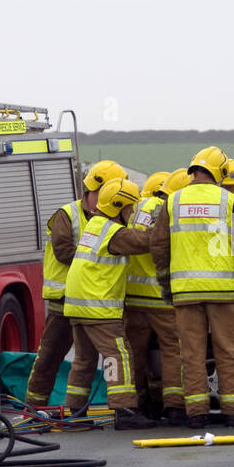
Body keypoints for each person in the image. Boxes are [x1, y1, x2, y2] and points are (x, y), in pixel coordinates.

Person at [150, 146, 234, 429]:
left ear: (193, 171)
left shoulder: (172, 201)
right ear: (219, 173)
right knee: (230, 351)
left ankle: (196, 412)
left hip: (185, 292)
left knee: (191, 353)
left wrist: (166, 283)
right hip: (223, 292)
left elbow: (158, 247)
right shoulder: (230, 201)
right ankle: (233, 410)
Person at [25, 159, 127, 410]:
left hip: (94, 303)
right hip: (63, 300)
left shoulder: (113, 220)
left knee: (86, 359)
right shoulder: (67, 214)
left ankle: (76, 410)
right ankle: (33, 409)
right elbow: (62, 251)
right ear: (93, 191)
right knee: (49, 356)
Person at [61, 178, 156, 431]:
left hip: (77, 306)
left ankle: (76, 411)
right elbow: (145, 241)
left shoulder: (94, 226)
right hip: (98, 308)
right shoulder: (114, 233)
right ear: (118, 207)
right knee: (118, 355)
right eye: (130, 209)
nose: (132, 214)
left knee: (83, 359)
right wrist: (164, 226)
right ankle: (124, 410)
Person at [123, 172, 187, 424]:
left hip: (133, 296)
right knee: (173, 350)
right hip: (161, 297)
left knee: (134, 353)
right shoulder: (169, 211)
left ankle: (137, 403)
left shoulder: (138, 206)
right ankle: (173, 405)